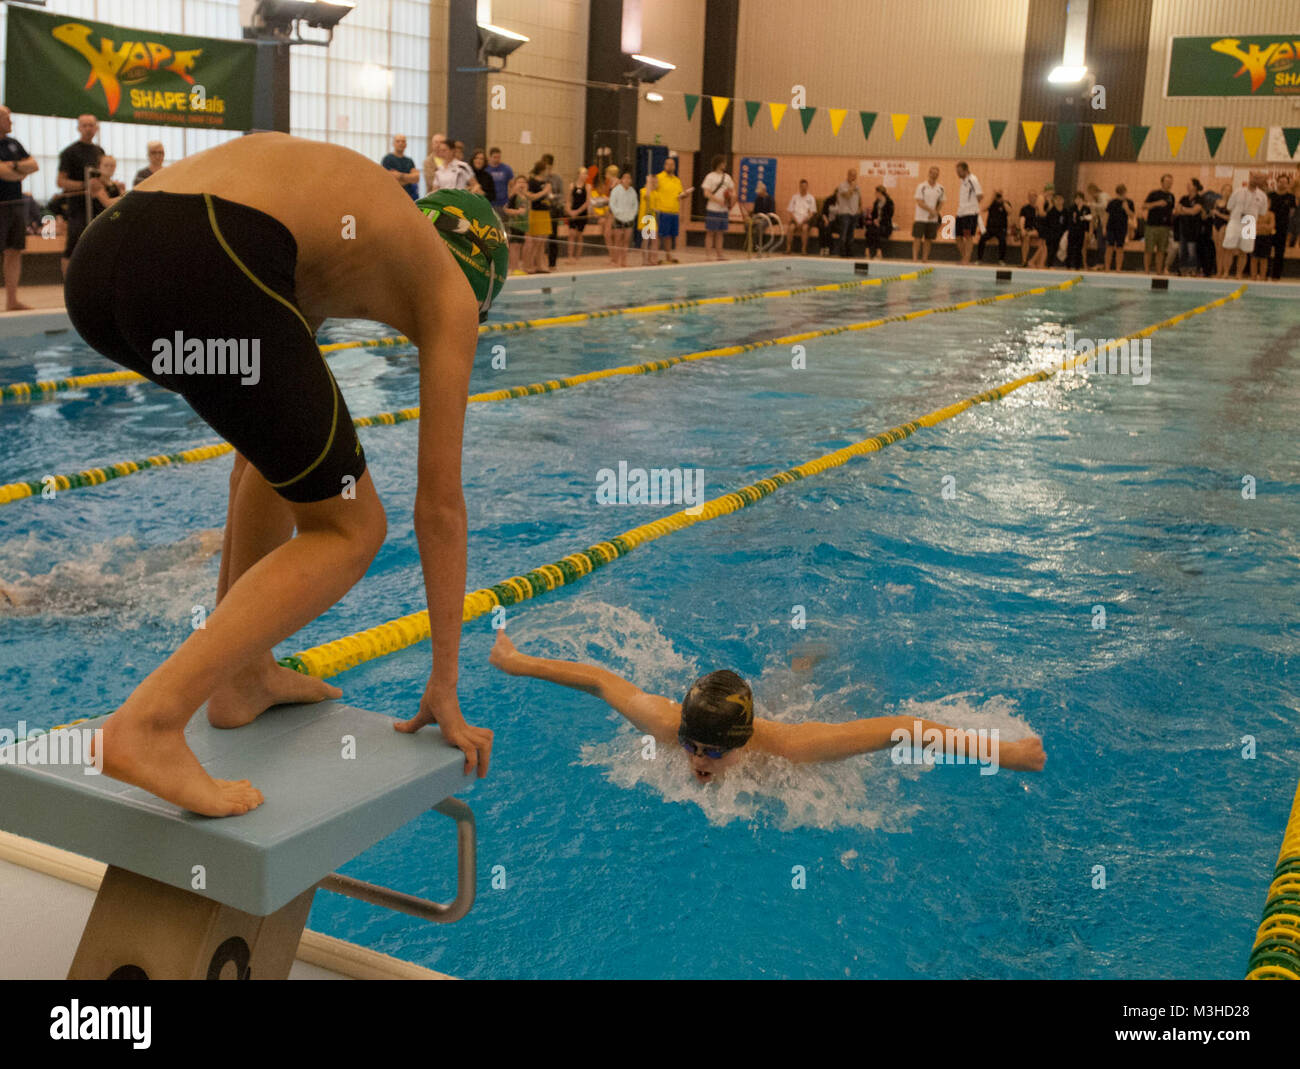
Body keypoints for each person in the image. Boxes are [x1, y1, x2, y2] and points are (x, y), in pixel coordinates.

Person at [61, 133, 501, 816]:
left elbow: (261, 459)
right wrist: (444, 682)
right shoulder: (451, 289)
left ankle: (240, 678)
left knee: (284, 460)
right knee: (353, 527)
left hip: (102, 264)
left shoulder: (342, 240)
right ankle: (146, 724)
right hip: (198, 248)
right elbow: (439, 506)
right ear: (481, 285)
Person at [489, 631, 1046, 785]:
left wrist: (1007, 754)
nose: (697, 761)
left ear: (741, 743)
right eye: (691, 745)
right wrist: (517, 662)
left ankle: (812, 655)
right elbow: (601, 683)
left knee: (792, 696)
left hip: (779, 724)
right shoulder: (665, 724)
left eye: (711, 751)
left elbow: (899, 729)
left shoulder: (790, 750)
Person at [56, 113, 105, 277]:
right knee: (74, 244)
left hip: (97, 205)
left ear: (96, 128)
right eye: (84, 125)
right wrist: (85, 185)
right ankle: (68, 284)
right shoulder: (69, 152)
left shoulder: (99, 151)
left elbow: (102, 177)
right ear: (78, 128)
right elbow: (61, 181)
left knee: (97, 243)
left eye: (91, 125)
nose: (88, 129)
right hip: (77, 207)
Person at [0, 104, 38, 311]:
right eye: (7, 118)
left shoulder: (13, 144)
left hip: (15, 204)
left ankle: (12, 301)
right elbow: (2, 173)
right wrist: (18, 170)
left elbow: (33, 165)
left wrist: (12, 167)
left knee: (14, 251)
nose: (11, 122)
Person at [1220, 173, 1268, 280]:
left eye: (1258, 178)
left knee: (1244, 251)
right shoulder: (1238, 191)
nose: (1256, 179)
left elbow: (1262, 212)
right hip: (1235, 221)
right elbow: (1229, 206)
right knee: (1229, 248)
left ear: (1261, 181)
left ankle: (1238, 274)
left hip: (1249, 224)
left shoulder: (1262, 196)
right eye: (1254, 177)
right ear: (1250, 178)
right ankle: (1226, 273)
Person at [654, 155, 692, 263]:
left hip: (674, 212)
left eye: (672, 164)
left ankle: (668, 256)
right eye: (668, 164)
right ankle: (654, 257)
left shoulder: (677, 180)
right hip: (662, 211)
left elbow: (679, 195)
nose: (670, 166)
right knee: (657, 235)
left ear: (674, 166)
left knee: (669, 236)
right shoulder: (659, 177)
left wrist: (684, 195)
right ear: (664, 166)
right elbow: (652, 191)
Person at [701, 155, 735, 260]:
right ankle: (708, 255)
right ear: (719, 163)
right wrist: (718, 200)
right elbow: (706, 193)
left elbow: (732, 191)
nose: (725, 165)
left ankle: (720, 254)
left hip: (723, 210)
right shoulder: (710, 176)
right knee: (710, 232)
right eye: (723, 162)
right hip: (713, 209)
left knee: (720, 233)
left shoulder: (727, 177)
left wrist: (731, 200)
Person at [1141, 174, 1175, 274]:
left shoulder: (1171, 196)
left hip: (1165, 227)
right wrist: (1156, 203)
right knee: (1149, 250)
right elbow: (1144, 206)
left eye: (1170, 182)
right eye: (1167, 182)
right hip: (1152, 226)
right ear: (1162, 182)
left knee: (1161, 251)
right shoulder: (1154, 194)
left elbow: (1171, 210)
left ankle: (1158, 272)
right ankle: (1146, 271)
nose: (1169, 184)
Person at [524, 159, 552, 274]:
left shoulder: (546, 182)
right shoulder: (532, 181)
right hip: (536, 213)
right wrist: (544, 192)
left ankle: (540, 264)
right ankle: (530, 264)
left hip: (545, 212)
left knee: (543, 241)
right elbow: (530, 197)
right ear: (542, 170)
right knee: (536, 241)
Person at [912, 166, 944, 261]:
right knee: (917, 238)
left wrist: (935, 212)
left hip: (932, 219)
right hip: (920, 217)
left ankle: (925, 258)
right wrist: (931, 211)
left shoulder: (941, 188)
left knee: (928, 239)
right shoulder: (921, 186)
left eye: (936, 174)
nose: (934, 175)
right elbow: (919, 201)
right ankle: (915, 258)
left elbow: (941, 202)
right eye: (933, 173)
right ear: (929, 173)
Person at [1267, 173, 1295, 281]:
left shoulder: (1291, 197)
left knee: (1279, 253)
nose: (1282, 184)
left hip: (1282, 229)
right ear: (1276, 182)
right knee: (1267, 252)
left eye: (1285, 182)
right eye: (1280, 182)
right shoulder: (1270, 195)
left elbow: (1292, 214)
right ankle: (1265, 274)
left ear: (1288, 184)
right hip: (1269, 227)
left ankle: (1275, 276)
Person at [954, 161, 983, 264]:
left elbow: (980, 195)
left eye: (959, 171)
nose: (957, 174)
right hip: (961, 213)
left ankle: (966, 258)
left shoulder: (973, 179)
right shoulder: (963, 181)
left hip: (970, 213)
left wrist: (972, 205)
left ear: (966, 170)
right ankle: (964, 257)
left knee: (968, 236)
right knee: (957, 236)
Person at [608, 170, 638, 267]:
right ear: (621, 180)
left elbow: (635, 205)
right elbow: (612, 204)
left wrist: (631, 215)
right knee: (617, 240)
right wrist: (618, 214)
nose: (627, 180)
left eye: (629, 178)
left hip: (629, 219)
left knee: (626, 241)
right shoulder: (616, 190)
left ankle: (624, 260)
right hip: (618, 218)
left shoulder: (632, 192)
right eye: (625, 178)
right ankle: (615, 260)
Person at [502, 174, 530, 272]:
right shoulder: (513, 196)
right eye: (519, 182)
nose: (521, 184)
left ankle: (519, 267)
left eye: (524, 182)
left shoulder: (526, 196)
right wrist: (517, 212)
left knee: (521, 246)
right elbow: (506, 209)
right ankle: (514, 268)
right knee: (514, 247)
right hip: (515, 225)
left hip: (523, 226)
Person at [1103, 184, 1133, 272]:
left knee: (1120, 248)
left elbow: (1132, 216)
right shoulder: (1112, 203)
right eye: (1120, 194)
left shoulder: (1129, 203)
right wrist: (1104, 227)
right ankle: (1107, 268)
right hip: (1111, 227)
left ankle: (1118, 268)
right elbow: (1106, 215)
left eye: (1123, 193)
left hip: (1122, 228)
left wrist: (1126, 209)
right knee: (1110, 247)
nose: (1123, 195)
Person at [381, 135, 420, 202]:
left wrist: (400, 175)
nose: (400, 143)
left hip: (408, 197)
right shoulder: (387, 159)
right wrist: (408, 178)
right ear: (393, 144)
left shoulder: (409, 161)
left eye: (403, 141)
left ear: (406, 144)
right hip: (391, 196)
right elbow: (389, 179)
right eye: (398, 141)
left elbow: (416, 178)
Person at [564, 166, 589, 262]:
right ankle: (570, 256)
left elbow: (587, 202)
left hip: (582, 212)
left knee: (579, 234)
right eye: (583, 173)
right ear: (578, 174)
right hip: (572, 212)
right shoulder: (572, 186)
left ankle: (578, 256)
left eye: (586, 174)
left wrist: (578, 212)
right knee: (571, 233)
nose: (585, 176)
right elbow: (568, 200)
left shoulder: (587, 187)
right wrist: (570, 211)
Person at [833, 168, 861, 257]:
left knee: (851, 235)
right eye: (852, 175)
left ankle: (850, 253)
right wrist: (852, 187)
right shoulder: (842, 186)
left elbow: (859, 199)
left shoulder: (857, 187)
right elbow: (847, 196)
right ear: (848, 175)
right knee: (843, 235)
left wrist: (859, 209)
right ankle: (842, 253)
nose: (854, 178)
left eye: (855, 176)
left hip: (854, 213)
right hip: (845, 213)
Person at [785, 177, 815, 255]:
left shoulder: (811, 198)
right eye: (802, 186)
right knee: (791, 228)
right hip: (795, 219)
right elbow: (790, 212)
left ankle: (803, 249)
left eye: (805, 186)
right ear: (800, 187)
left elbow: (812, 213)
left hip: (805, 220)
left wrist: (803, 221)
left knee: (805, 228)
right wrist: (796, 221)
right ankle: (788, 248)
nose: (803, 188)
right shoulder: (794, 197)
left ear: (807, 187)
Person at [977, 190, 1007, 264]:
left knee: (1003, 240)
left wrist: (1003, 202)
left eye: (999, 195)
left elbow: (1010, 212)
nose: (998, 197)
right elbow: (983, 209)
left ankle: (1001, 260)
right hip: (990, 228)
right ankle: (979, 259)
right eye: (997, 195)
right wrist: (992, 198)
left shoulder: (1005, 203)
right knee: (982, 239)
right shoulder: (991, 203)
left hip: (1000, 229)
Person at [864, 185, 894, 260]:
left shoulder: (889, 202)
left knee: (877, 231)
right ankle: (867, 251)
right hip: (876, 224)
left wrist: (880, 221)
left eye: (876, 192)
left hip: (886, 225)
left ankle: (879, 253)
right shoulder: (876, 202)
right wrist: (874, 220)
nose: (875, 194)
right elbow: (874, 215)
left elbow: (889, 215)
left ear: (880, 193)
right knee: (869, 231)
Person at [1065, 191, 1092, 269]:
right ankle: (1068, 265)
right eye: (1076, 198)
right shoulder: (1072, 208)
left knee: (1079, 248)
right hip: (1072, 230)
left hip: (1081, 231)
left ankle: (1077, 265)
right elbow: (1071, 220)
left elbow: (1089, 219)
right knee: (1070, 247)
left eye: (1080, 198)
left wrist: (1088, 231)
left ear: (1083, 199)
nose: (1078, 200)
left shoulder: (1086, 208)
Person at [1017, 191, 1044, 267]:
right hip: (1028, 230)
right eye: (1029, 197)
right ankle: (1024, 261)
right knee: (1026, 236)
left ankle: (1036, 262)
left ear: (1036, 197)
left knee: (1042, 241)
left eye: (1033, 196)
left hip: (1038, 230)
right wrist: (1022, 229)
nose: (1031, 198)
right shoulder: (1025, 209)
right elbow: (1022, 219)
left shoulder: (1040, 209)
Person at [749, 182, 777, 257]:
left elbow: (771, 212)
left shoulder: (770, 199)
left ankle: (758, 245)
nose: (759, 194)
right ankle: (752, 244)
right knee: (748, 225)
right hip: (759, 217)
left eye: (760, 192)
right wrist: (755, 218)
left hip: (768, 219)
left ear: (764, 190)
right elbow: (755, 211)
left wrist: (761, 218)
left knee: (760, 225)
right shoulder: (758, 199)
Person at [1210, 181, 1231, 276]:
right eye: (1225, 190)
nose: (1227, 192)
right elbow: (1214, 215)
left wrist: (1218, 214)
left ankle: (1225, 271)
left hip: (1224, 225)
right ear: (1221, 191)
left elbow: (1230, 218)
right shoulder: (1217, 202)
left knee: (1224, 249)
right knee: (1218, 250)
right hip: (1216, 225)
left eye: (1229, 190)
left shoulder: (1231, 204)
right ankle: (1219, 271)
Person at [1040, 193, 1066, 268]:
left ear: (1063, 201)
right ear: (1054, 201)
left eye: (1060, 199)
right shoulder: (1051, 212)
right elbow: (1048, 224)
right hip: (1052, 234)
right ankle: (1050, 264)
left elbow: (1066, 224)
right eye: (1056, 200)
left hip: (1062, 233)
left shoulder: (1065, 211)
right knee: (1051, 247)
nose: (1058, 201)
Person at [1251, 200, 1275, 281]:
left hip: (1266, 238)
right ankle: (1253, 277)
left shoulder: (1271, 214)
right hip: (1256, 237)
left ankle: (1262, 277)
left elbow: (1271, 227)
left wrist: (1261, 226)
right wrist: (1264, 226)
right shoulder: (1255, 214)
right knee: (1254, 258)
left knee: (1264, 259)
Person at [484, 147, 513, 215]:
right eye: (495, 157)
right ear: (490, 157)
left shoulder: (506, 169)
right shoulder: (485, 169)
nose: (497, 159)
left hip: (503, 203)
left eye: (499, 157)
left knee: (502, 224)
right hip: (489, 203)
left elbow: (512, 185)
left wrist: (509, 200)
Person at [639, 172, 660, 265]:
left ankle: (653, 258)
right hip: (645, 218)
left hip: (652, 218)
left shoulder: (656, 193)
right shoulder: (643, 190)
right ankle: (644, 259)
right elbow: (647, 196)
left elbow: (656, 206)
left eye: (655, 182)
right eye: (652, 182)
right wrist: (648, 182)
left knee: (654, 239)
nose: (654, 184)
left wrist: (657, 209)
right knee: (646, 239)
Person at [817, 190, 837, 256]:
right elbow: (823, 213)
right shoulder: (829, 200)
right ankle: (822, 247)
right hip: (827, 219)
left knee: (828, 228)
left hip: (836, 222)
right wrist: (826, 220)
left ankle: (828, 248)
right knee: (822, 226)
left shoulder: (843, 202)